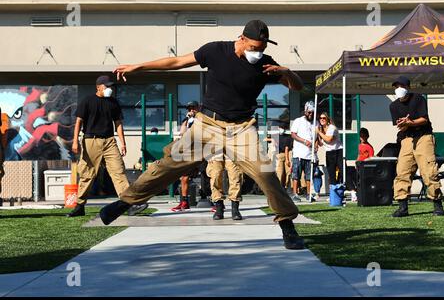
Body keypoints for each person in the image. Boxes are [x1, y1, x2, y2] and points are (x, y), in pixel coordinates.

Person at [100, 20, 305, 249]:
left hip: (241, 128)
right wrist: (139, 67)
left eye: (262, 48)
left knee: (265, 173)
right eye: (254, 48)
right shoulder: (215, 50)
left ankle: (287, 225)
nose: (258, 53)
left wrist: (286, 72)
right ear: (242, 39)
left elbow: (297, 87)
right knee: (168, 165)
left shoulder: (267, 65)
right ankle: (125, 202)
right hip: (207, 124)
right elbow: (177, 61)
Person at [67, 75, 148, 217]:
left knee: (119, 171)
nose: (109, 89)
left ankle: (128, 204)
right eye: (106, 86)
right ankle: (79, 206)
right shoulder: (88, 101)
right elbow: (78, 121)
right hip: (90, 140)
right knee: (87, 174)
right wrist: (75, 141)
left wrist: (123, 142)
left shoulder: (113, 102)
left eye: (110, 86)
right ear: (98, 87)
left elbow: (118, 124)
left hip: (110, 141)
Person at [389, 76, 444, 217]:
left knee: (429, 171)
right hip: (406, 139)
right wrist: (403, 124)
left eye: (401, 86)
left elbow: (424, 119)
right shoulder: (393, 106)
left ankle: (437, 204)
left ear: (407, 87)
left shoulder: (418, 99)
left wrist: (410, 122)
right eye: (396, 86)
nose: (398, 89)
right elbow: (399, 127)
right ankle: (402, 207)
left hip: (423, 137)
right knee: (402, 171)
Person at [171, 101, 200, 211]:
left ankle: (217, 202)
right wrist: (187, 119)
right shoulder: (187, 120)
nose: (191, 110)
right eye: (189, 109)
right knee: (184, 177)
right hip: (189, 151)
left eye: (193, 108)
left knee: (209, 176)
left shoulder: (201, 119)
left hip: (201, 150)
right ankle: (184, 202)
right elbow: (182, 133)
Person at [290, 101, 316, 202]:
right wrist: (304, 141)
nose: (311, 114)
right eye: (309, 112)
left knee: (309, 176)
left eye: (312, 112)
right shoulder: (298, 121)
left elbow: (316, 137)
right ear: (305, 111)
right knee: (296, 175)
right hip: (299, 153)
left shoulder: (315, 123)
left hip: (310, 155)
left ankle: (309, 194)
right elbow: (293, 134)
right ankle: (295, 194)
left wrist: (316, 144)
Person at [316, 112, 344, 187]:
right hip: (329, 153)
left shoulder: (332, 128)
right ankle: (333, 192)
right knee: (331, 173)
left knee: (343, 170)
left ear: (327, 119)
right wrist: (318, 136)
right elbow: (321, 144)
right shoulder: (321, 130)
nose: (322, 119)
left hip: (337, 151)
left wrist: (319, 132)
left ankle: (352, 190)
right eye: (320, 118)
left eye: (324, 118)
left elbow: (328, 139)